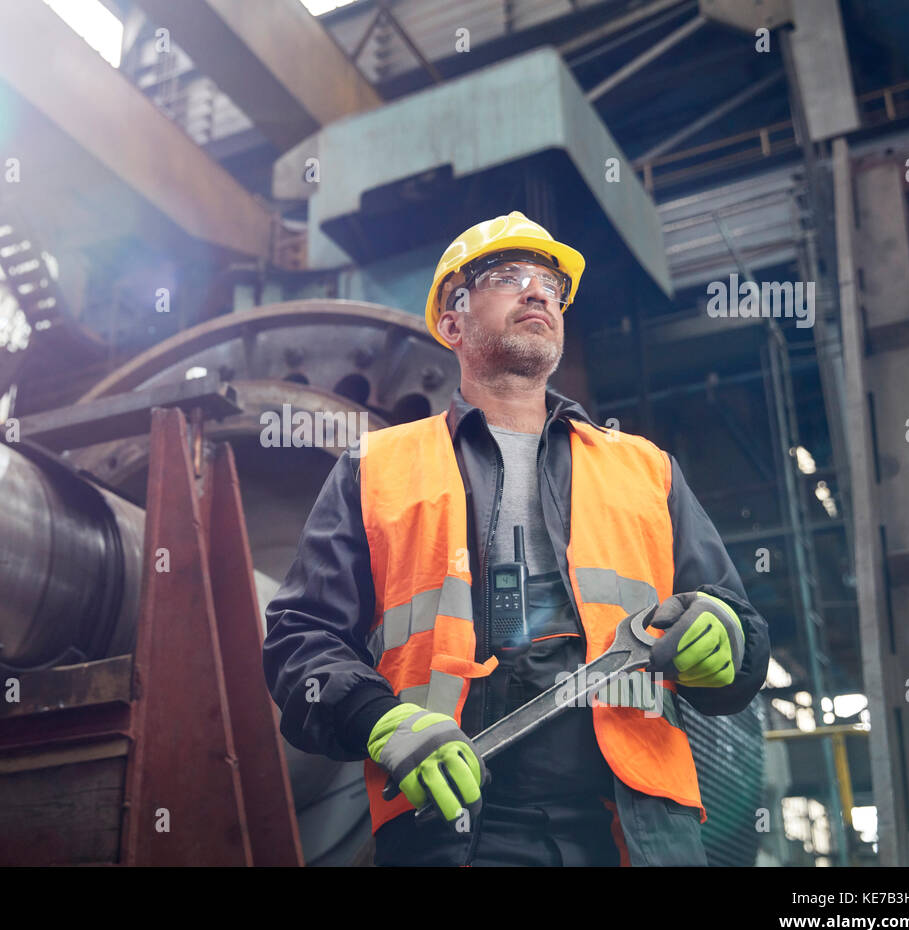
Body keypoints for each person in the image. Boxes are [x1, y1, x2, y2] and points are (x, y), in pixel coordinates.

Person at [262, 211, 769, 866]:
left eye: (551, 287)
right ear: (452, 321)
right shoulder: (377, 468)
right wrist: (378, 721)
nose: (538, 293)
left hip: (638, 832)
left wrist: (726, 636)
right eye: (508, 277)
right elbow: (300, 638)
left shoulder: (646, 469)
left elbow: (742, 633)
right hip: (449, 822)